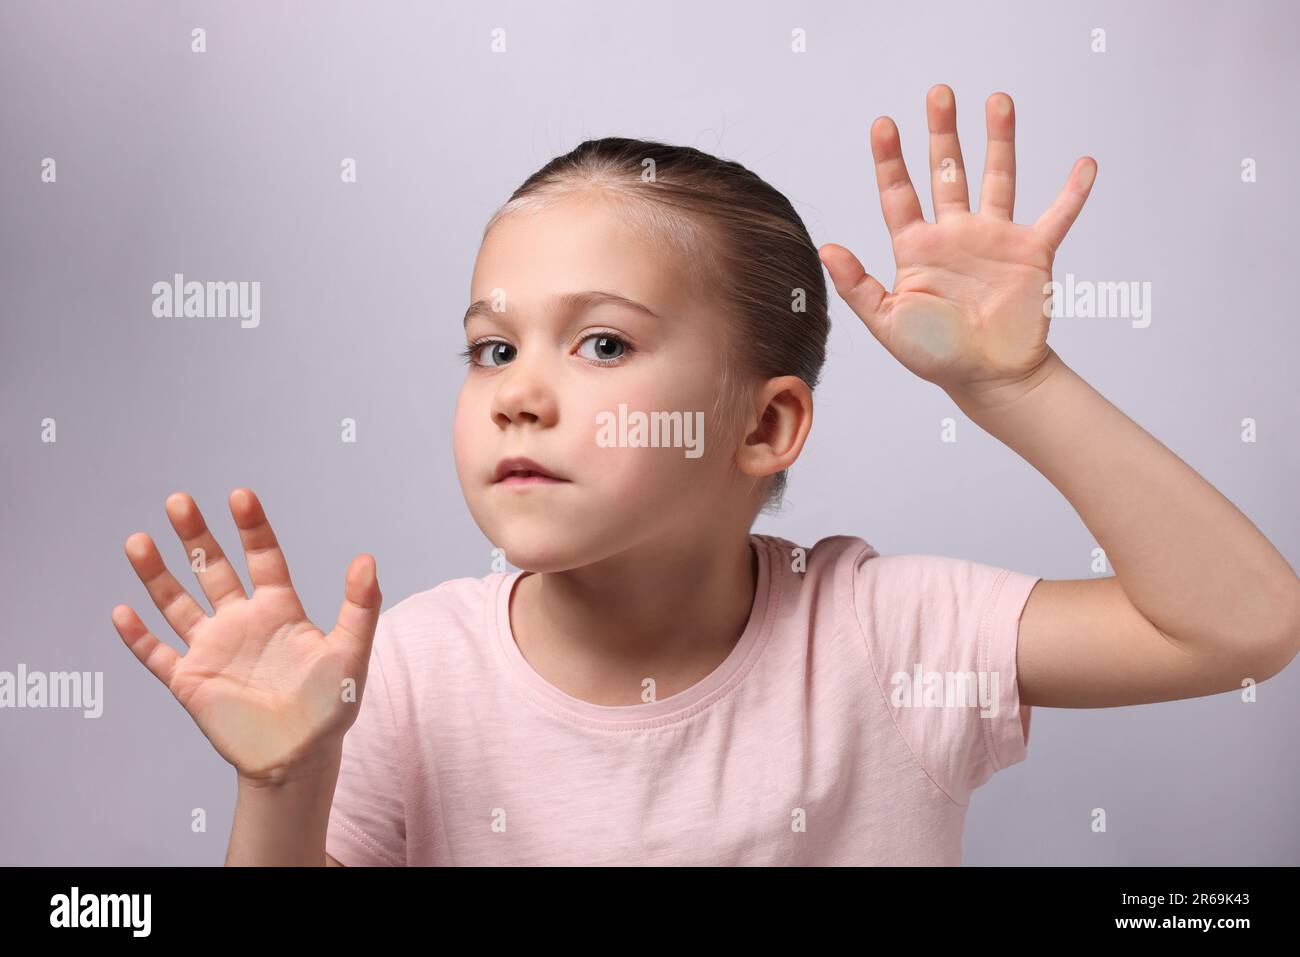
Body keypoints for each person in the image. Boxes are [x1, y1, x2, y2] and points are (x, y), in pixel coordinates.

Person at [112, 85, 1300, 866]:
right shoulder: (413, 672)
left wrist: (1014, 386)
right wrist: (284, 778)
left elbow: (1237, 628)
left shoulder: (888, 639)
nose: (519, 390)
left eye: (604, 344)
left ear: (767, 427)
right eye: (493, 347)